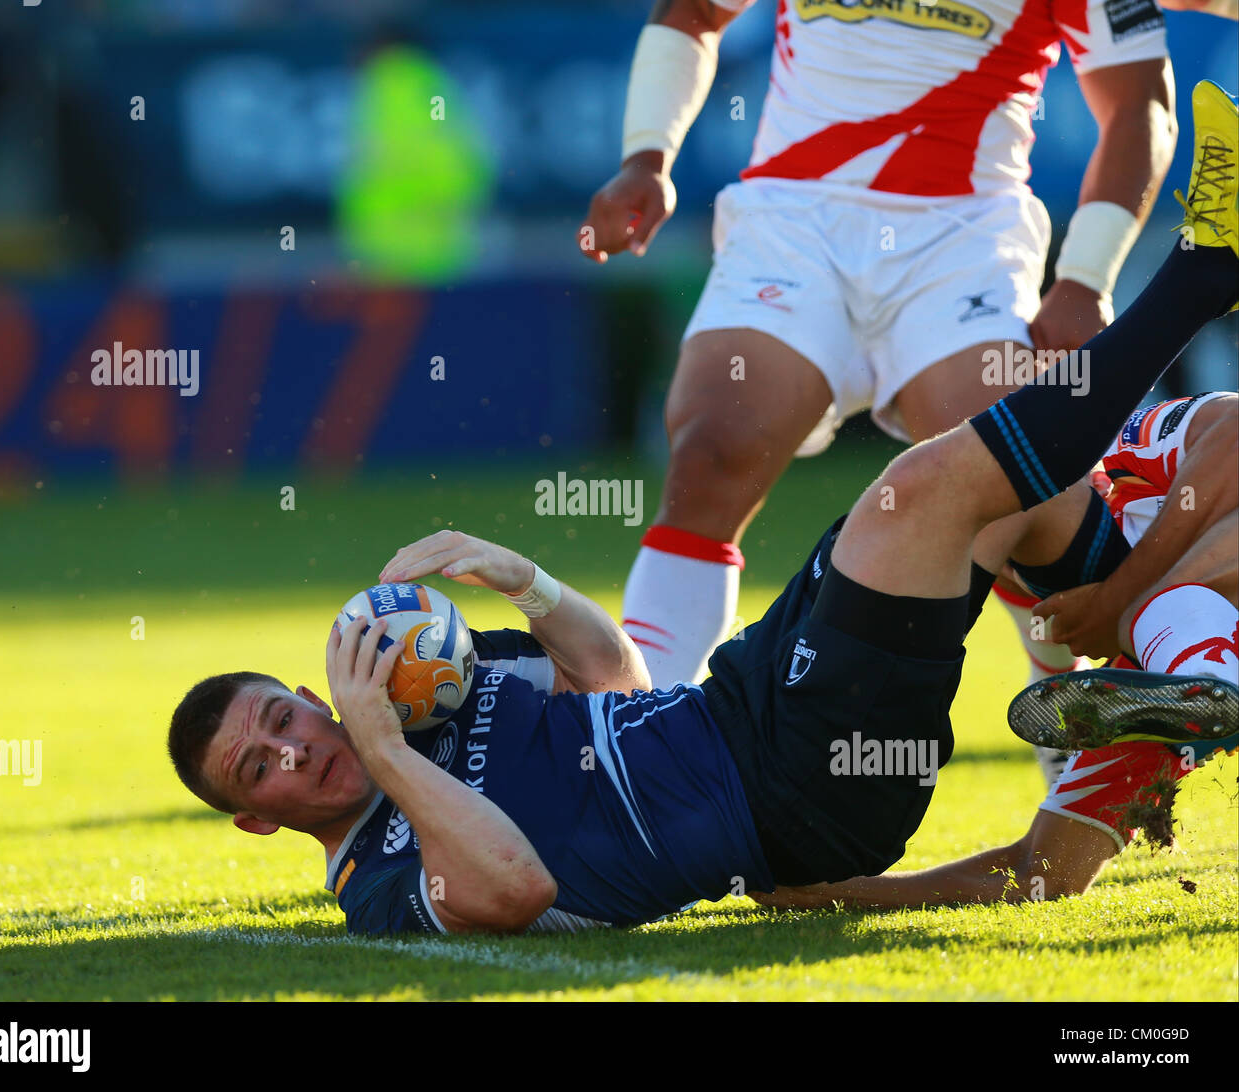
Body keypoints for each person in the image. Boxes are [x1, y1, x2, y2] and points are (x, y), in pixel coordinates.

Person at [169, 82, 1238, 936]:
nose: (298, 748)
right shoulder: (377, 888)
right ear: (257, 819)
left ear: (308, 693)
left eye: (283, 718)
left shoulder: (426, 689)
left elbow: (613, 681)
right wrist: (388, 759)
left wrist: (522, 580)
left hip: (735, 700)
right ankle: (1200, 277)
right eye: (260, 768)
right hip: (783, 793)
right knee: (922, 491)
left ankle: (1153, 687)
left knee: (1010, 507)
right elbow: (515, 892)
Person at [581, 0, 1178, 734]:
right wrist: (646, 156)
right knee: (711, 452)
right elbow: (696, 11)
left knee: (1023, 490)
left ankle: (1065, 697)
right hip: (793, 223)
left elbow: (1140, 99)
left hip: (961, 238)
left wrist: (1085, 276)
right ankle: (640, 735)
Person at [752, 392, 1238, 911]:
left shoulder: (1119, 454)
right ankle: (1208, 682)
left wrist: (1117, 601)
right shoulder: (1116, 679)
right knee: (1055, 860)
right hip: (1165, 676)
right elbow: (1043, 875)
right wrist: (823, 893)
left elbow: (1233, 427)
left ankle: (1210, 681)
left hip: (1162, 650)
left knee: (1015, 491)